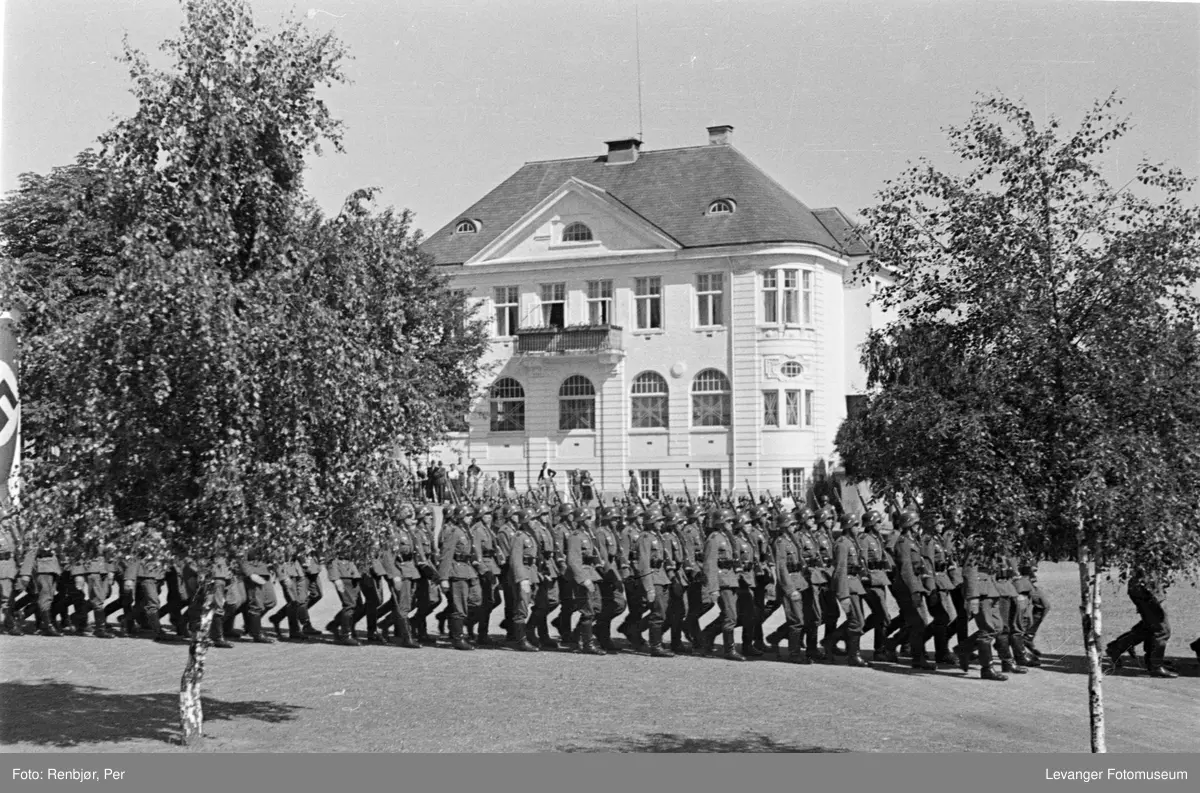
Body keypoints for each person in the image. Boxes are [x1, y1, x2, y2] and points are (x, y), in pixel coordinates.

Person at [1106, 571, 1178, 678]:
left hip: (1145, 587)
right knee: (1162, 629)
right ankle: (1155, 666)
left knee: (1150, 625)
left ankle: (1118, 648)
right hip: (1146, 588)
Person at [564, 506, 606, 655]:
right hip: (583, 575)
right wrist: (583, 579)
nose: (590, 520)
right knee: (587, 610)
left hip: (591, 573)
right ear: (581, 520)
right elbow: (573, 560)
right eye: (588, 518)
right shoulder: (575, 536)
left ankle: (578, 638)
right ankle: (587, 643)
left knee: (596, 608)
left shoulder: (587, 534)